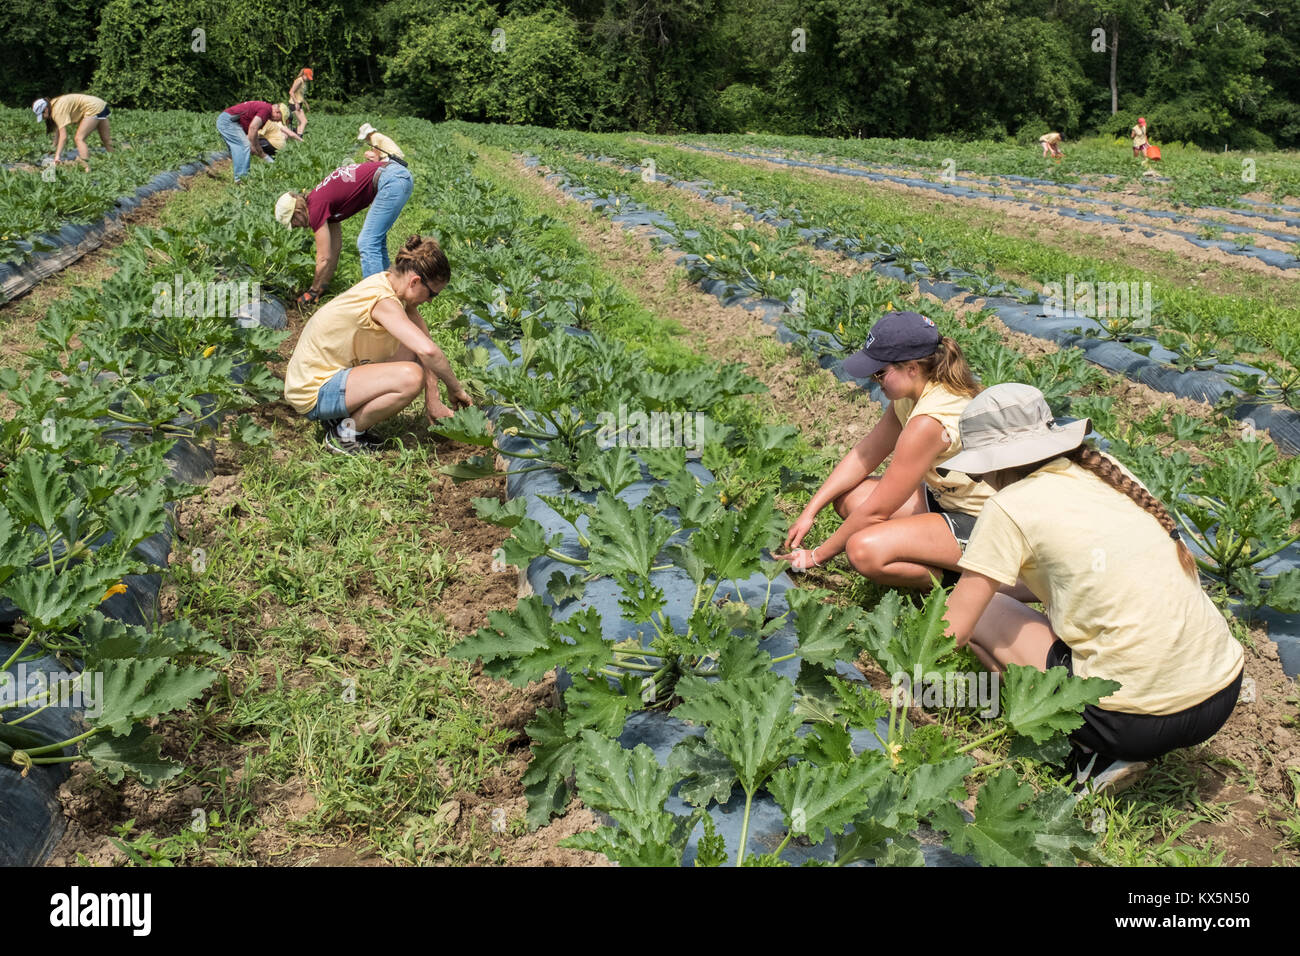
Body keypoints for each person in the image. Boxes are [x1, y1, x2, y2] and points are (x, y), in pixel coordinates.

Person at [940, 383, 1245, 794]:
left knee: (988, 610)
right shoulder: (1108, 472)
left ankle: (1080, 749)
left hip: (1134, 723)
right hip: (1221, 691)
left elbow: (952, 632)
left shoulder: (1008, 507)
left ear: (990, 465)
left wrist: (911, 683)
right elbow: (1089, 573)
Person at [775, 311, 993, 585]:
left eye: (880, 373)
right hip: (946, 498)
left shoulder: (929, 423)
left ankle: (971, 580)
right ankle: (941, 552)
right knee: (848, 498)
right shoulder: (913, 393)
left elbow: (876, 511)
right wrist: (810, 510)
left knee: (863, 550)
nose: (874, 381)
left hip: (985, 523)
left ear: (912, 367)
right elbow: (865, 455)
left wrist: (817, 556)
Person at [283, 235, 473, 454]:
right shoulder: (383, 301)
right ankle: (344, 435)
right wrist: (455, 389)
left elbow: (423, 341)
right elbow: (430, 351)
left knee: (413, 348)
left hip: (323, 377)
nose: (430, 301)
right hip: (313, 390)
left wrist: (433, 399)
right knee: (411, 377)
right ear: (414, 282)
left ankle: (341, 418)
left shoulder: (387, 284)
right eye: (432, 294)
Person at [273, 124, 413, 304]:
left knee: (367, 242)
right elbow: (333, 250)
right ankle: (391, 292)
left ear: (297, 212)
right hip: (395, 175)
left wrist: (313, 289)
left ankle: (376, 302)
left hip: (392, 179)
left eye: (294, 223)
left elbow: (322, 258)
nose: (298, 227)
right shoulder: (321, 204)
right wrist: (323, 286)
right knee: (375, 242)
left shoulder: (315, 209)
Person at [32, 94, 113, 167]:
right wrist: (53, 147)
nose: (43, 118)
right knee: (106, 139)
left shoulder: (57, 111)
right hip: (100, 104)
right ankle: (114, 161)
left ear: (45, 109)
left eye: (42, 115)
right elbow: (58, 132)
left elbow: (63, 137)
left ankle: (87, 168)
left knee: (79, 139)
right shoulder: (53, 104)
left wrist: (57, 157)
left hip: (92, 108)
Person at [217, 100, 285, 182]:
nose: (277, 121)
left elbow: (254, 134)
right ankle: (241, 180)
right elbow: (253, 127)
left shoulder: (265, 111)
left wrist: (261, 153)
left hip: (229, 121)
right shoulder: (267, 109)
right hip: (229, 121)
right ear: (277, 112)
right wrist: (252, 145)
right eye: (280, 119)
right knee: (244, 145)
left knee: (240, 148)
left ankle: (234, 173)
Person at [289, 68, 312, 135]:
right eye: (307, 77)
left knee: (300, 122)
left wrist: (306, 104)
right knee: (304, 121)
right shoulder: (299, 81)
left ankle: (296, 134)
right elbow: (291, 92)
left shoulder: (303, 82)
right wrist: (296, 103)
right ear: (304, 75)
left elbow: (300, 95)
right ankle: (299, 137)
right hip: (294, 103)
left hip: (299, 103)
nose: (308, 79)